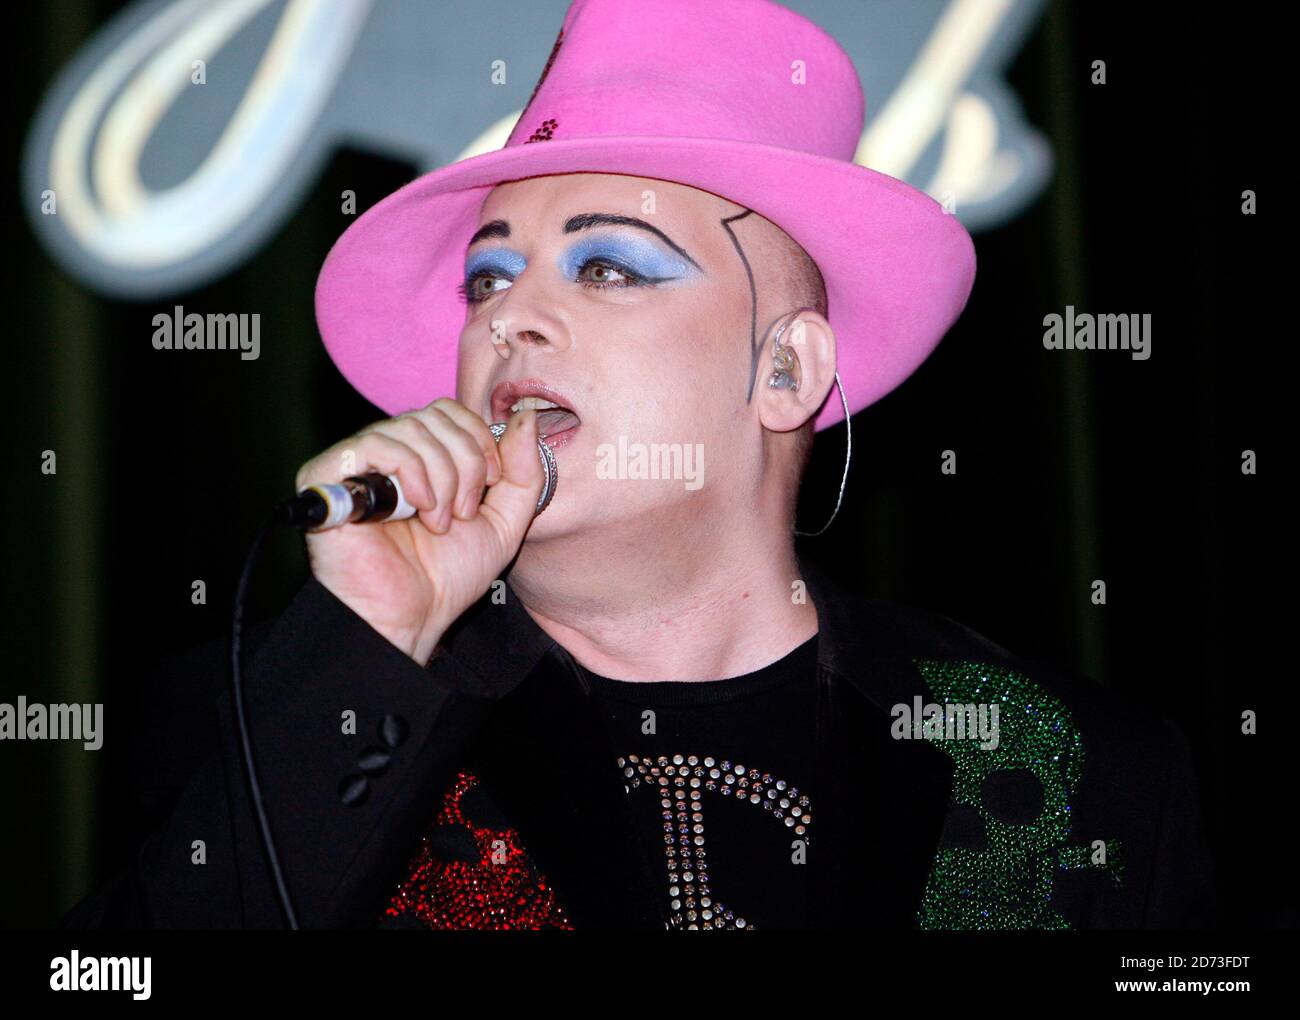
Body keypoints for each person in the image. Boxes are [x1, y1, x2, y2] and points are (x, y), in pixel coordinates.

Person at [60, 0, 1214, 930]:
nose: (512, 318)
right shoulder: (303, 713)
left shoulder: (1073, 766)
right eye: (486, 278)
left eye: (609, 267)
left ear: (784, 371)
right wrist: (363, 644)